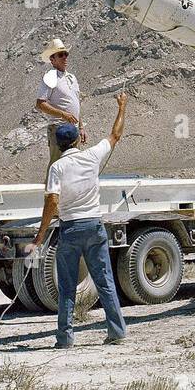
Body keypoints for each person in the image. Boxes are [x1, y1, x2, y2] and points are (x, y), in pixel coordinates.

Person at [29, 93, 129, 349]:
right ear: (77, 140)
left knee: (67, 287)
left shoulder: (57, 168)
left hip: (70, 229)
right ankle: (116, 331)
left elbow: (52, 201)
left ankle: (65, 338)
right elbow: (115, 136)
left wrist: (39, 237)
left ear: (59, 145)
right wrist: (122, 107)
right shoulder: (92, 156)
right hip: (94, 226)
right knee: (104, 280)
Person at [36, 38, 85, 169]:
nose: (65, 57)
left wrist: (80, 127)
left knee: (74, 166)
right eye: (61, 55)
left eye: (66, 54)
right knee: (57, 165)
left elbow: (75, 103)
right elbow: (40, 104)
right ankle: (51, 189)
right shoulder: (50, 78)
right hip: (58, 129)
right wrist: (62, 114)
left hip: (73, 130)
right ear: (52, 59)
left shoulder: (72, 78)